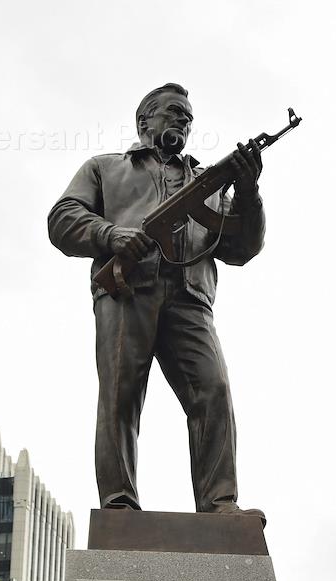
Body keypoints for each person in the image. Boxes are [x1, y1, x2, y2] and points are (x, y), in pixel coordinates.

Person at [47, 83, 266, 515]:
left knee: (214, 389)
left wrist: (247, 192)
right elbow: (62, 219)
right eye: (173, 111)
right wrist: (111, 235)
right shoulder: (105, 169)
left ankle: (220, 502)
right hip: (128, 291)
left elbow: (242, 249)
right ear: (144, 121)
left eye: (188, 115)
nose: (183, 119)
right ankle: (119, 503)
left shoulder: (207, 181)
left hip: (190, 298)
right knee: (120, 393)